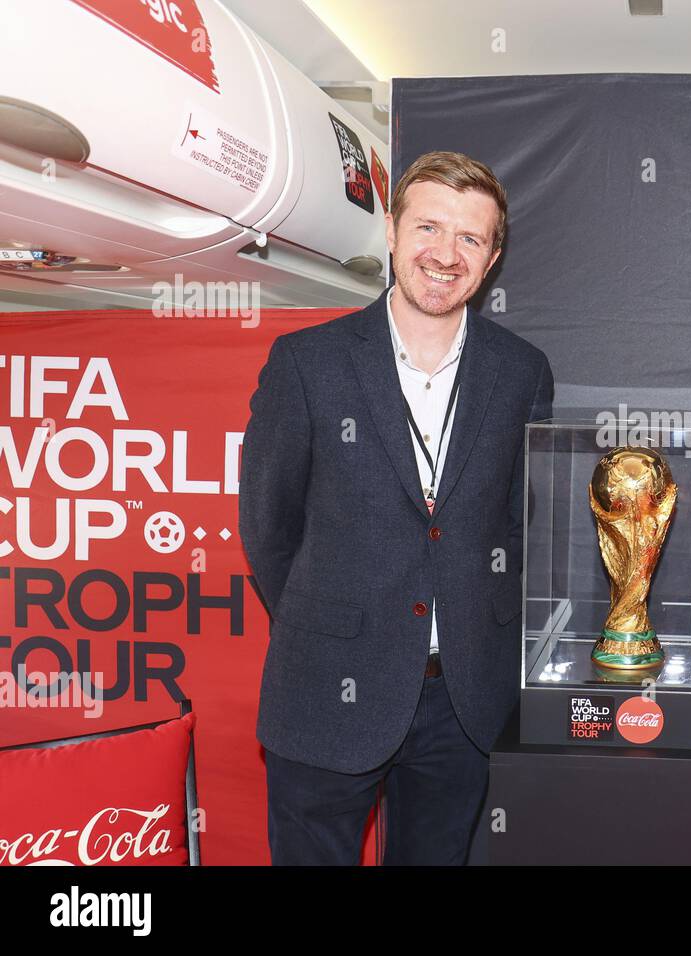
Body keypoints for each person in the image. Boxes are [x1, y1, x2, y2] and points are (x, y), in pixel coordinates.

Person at [239, 151, 553, 865]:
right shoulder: (306, 363)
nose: (445, 255)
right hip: (325, 692)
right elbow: (267, 527)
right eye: (429, 229)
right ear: (391, 230)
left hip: (463, 699)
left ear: (493, 255)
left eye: (470, 238)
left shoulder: (522, 372)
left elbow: (519, 524)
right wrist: (330, 626)